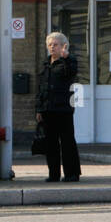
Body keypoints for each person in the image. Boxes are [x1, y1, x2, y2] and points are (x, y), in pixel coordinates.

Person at [36, 32, 81, 183]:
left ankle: (72, 174)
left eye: (55, 44)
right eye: (50, 45)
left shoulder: (69, 61)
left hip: (63, 109)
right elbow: (41, 88)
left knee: (67, 142)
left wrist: (66, 57)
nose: (52, 47)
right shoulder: (46, 64)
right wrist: (39, 109)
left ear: (63, 46)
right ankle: (53, 174)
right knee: (51, 144)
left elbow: (72, 72)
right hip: (48, 109)